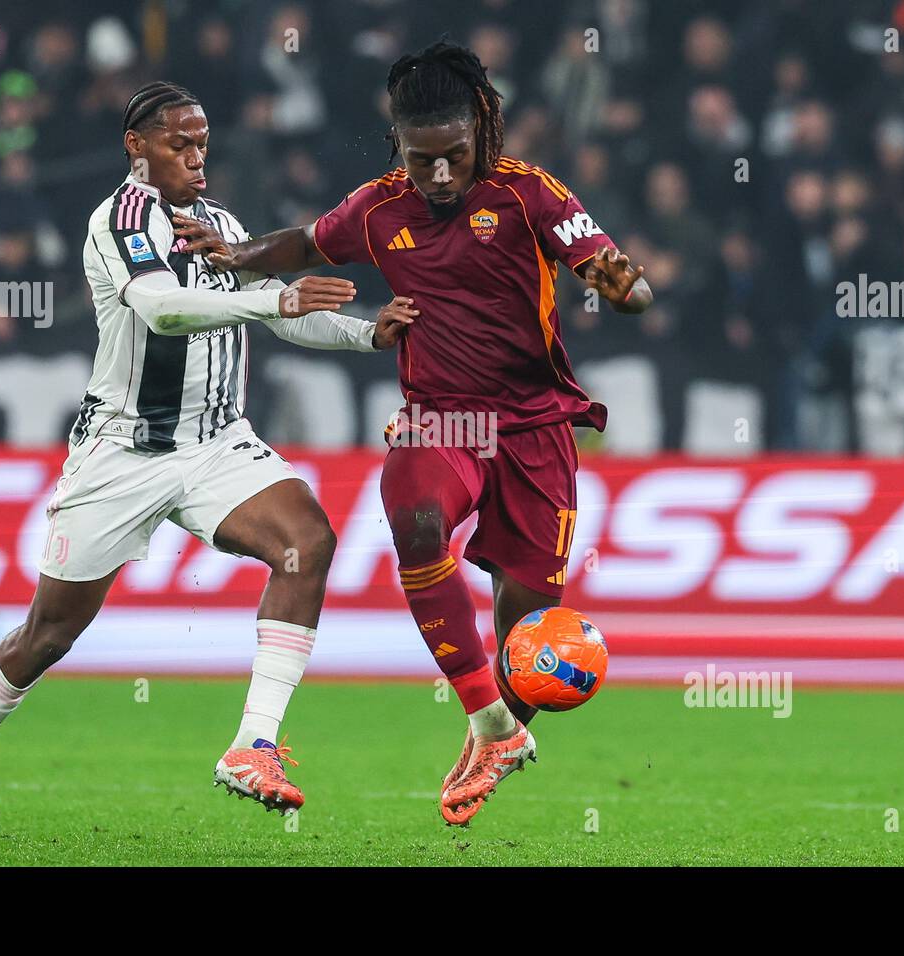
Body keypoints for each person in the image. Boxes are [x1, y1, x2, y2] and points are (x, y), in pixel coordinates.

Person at [0, 81, 414, 846]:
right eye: (181, 142)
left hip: (214, 443)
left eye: (204, 143)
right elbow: (163, 307)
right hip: (121, 452)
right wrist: (276, 304)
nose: (197, 157)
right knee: (46, 635)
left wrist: (366, 334)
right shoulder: (119, 218)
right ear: (136, 146)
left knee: (308, 539)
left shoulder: (222, 225)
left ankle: (254, 746)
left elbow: (286, 310)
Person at [210, 43, 651, 825]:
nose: (439, 176)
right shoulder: (379, 209)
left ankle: (493, 735)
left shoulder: (529, 195)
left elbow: (611, 269)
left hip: (535, 427)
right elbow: (308, 243)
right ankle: (489, 722)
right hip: (442, 418)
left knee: (527, 638)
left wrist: (624, 288)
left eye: (453, 157)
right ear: (398, 148)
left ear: (482, 130)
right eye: (422, 161)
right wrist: (238, 256)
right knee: (414, 514)